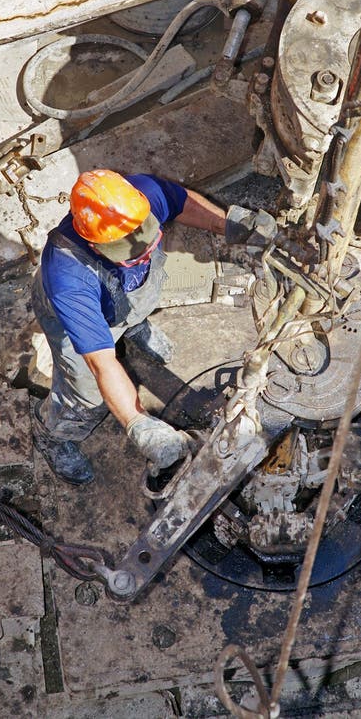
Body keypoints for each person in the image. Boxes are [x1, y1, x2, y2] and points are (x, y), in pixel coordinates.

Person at [32, 169, 275, 485]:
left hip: (126, 300)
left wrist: (228, 224)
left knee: (141, 298)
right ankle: (53, 434)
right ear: (94, 243)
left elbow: (181, 202)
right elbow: (101, 363)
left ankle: (132, 329)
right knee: (85, 393)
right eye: (128, 254)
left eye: (146, 237)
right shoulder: (68, 277)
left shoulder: (140, 195)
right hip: (74, 320)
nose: (143, 252)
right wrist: (137, 422)